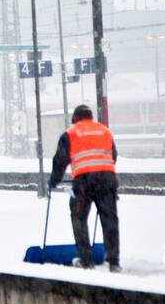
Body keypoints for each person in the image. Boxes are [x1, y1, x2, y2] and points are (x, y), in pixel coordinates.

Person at [48, 104, 120, 272]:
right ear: (91, 117)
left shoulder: (71, 133)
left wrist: (54, 180)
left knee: (79, 218)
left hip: (83, 183)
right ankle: (113, 261)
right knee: (109, 220)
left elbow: (60, 160)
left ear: (75, 119)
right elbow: (113, 155)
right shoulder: (104, 131)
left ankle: (86, 260)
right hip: (107, 180)